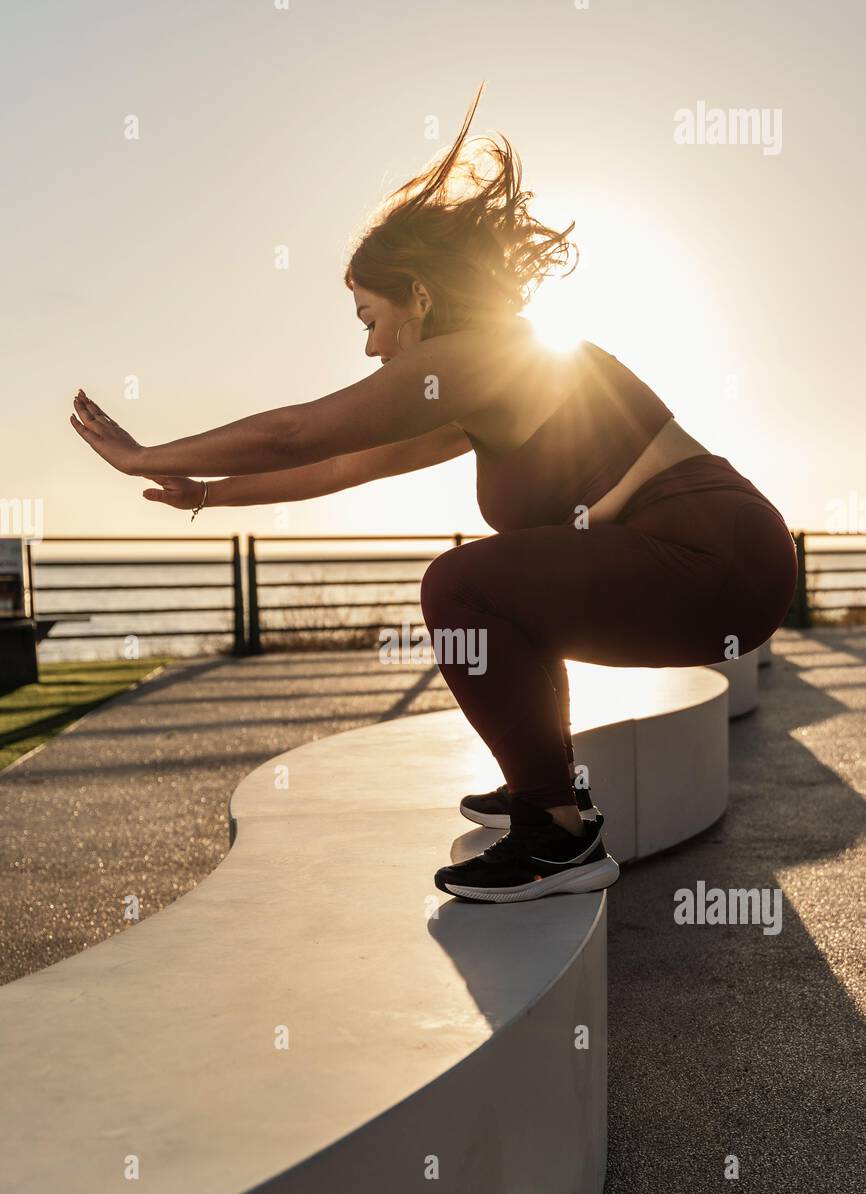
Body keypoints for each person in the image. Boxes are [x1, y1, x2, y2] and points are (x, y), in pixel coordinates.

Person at [70, 84, 798, 906]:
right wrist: (204, 492)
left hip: (714, 557)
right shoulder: (492, 382)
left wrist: (142, 457)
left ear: (419, 295)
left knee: (462, 584)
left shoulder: (487, 356)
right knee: (510, 582)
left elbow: (299, 432)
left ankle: (556, 830)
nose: (371, 343)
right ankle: (550, 790)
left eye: (369, 316)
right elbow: (348, 466)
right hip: (724, 564)